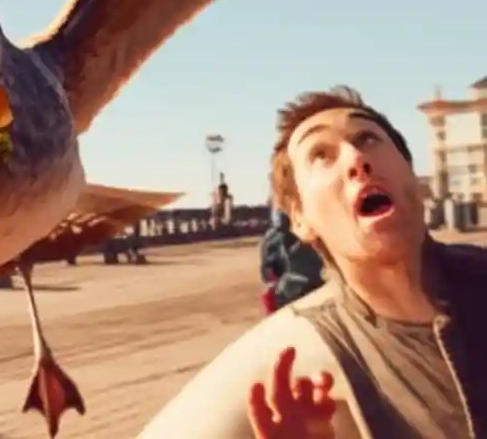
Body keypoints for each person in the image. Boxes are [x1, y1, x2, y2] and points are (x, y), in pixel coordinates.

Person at [137, 86, 487, 439]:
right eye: (321, 154)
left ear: (413, 177)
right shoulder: (297, 353)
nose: (355, 159)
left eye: (367, 138)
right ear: (299, 218)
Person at [259, 208, 326, 312]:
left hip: (296, 293)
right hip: (309, 292)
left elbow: (267, 274)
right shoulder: (314, 232)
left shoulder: (272, 238)